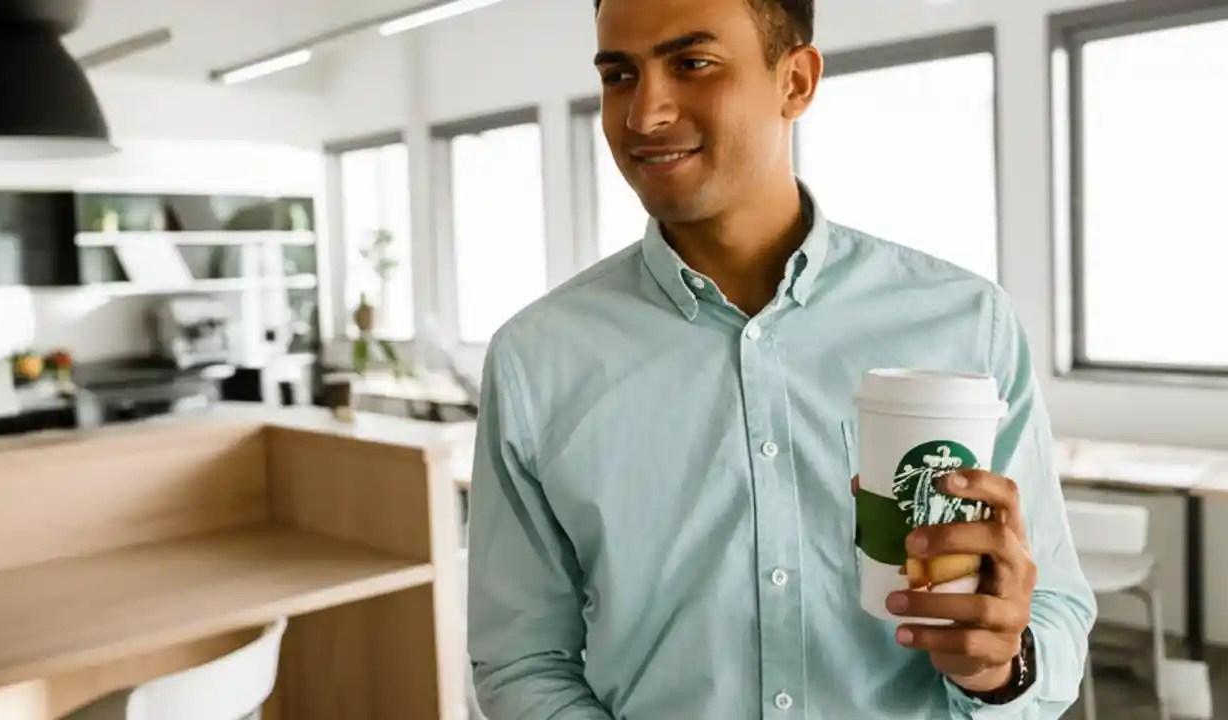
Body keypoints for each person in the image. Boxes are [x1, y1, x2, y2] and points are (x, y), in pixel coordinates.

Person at [467, 0, 1097, 716]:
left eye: (692, 64)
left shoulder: (967, 325)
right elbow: (521, 659)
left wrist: (1000, 670)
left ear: (795, 81)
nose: (644, 115)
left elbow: (1053, 610)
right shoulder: (536, 360)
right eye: (619, 74)